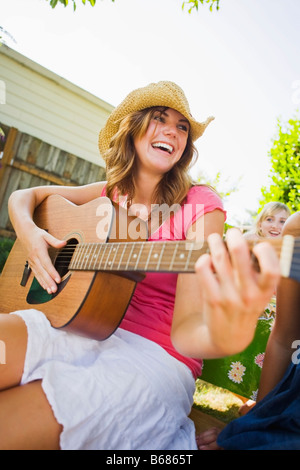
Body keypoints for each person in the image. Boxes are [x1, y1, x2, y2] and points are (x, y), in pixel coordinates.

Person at [0, 81, 280, 450]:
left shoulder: (200, 203)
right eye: (159, 119)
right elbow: (26, 195)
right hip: (80, 328)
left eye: (182, 127)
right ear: (132, 129)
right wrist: (31, 234)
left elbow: (189, 332)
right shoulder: (109, 194)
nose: (172, 131)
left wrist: (231, 326)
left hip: (157, 357)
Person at [197, 211, 300, 450]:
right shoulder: (296, 229)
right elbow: (286, 338)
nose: (276, 225)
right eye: (270, 219)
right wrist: (257, 422)